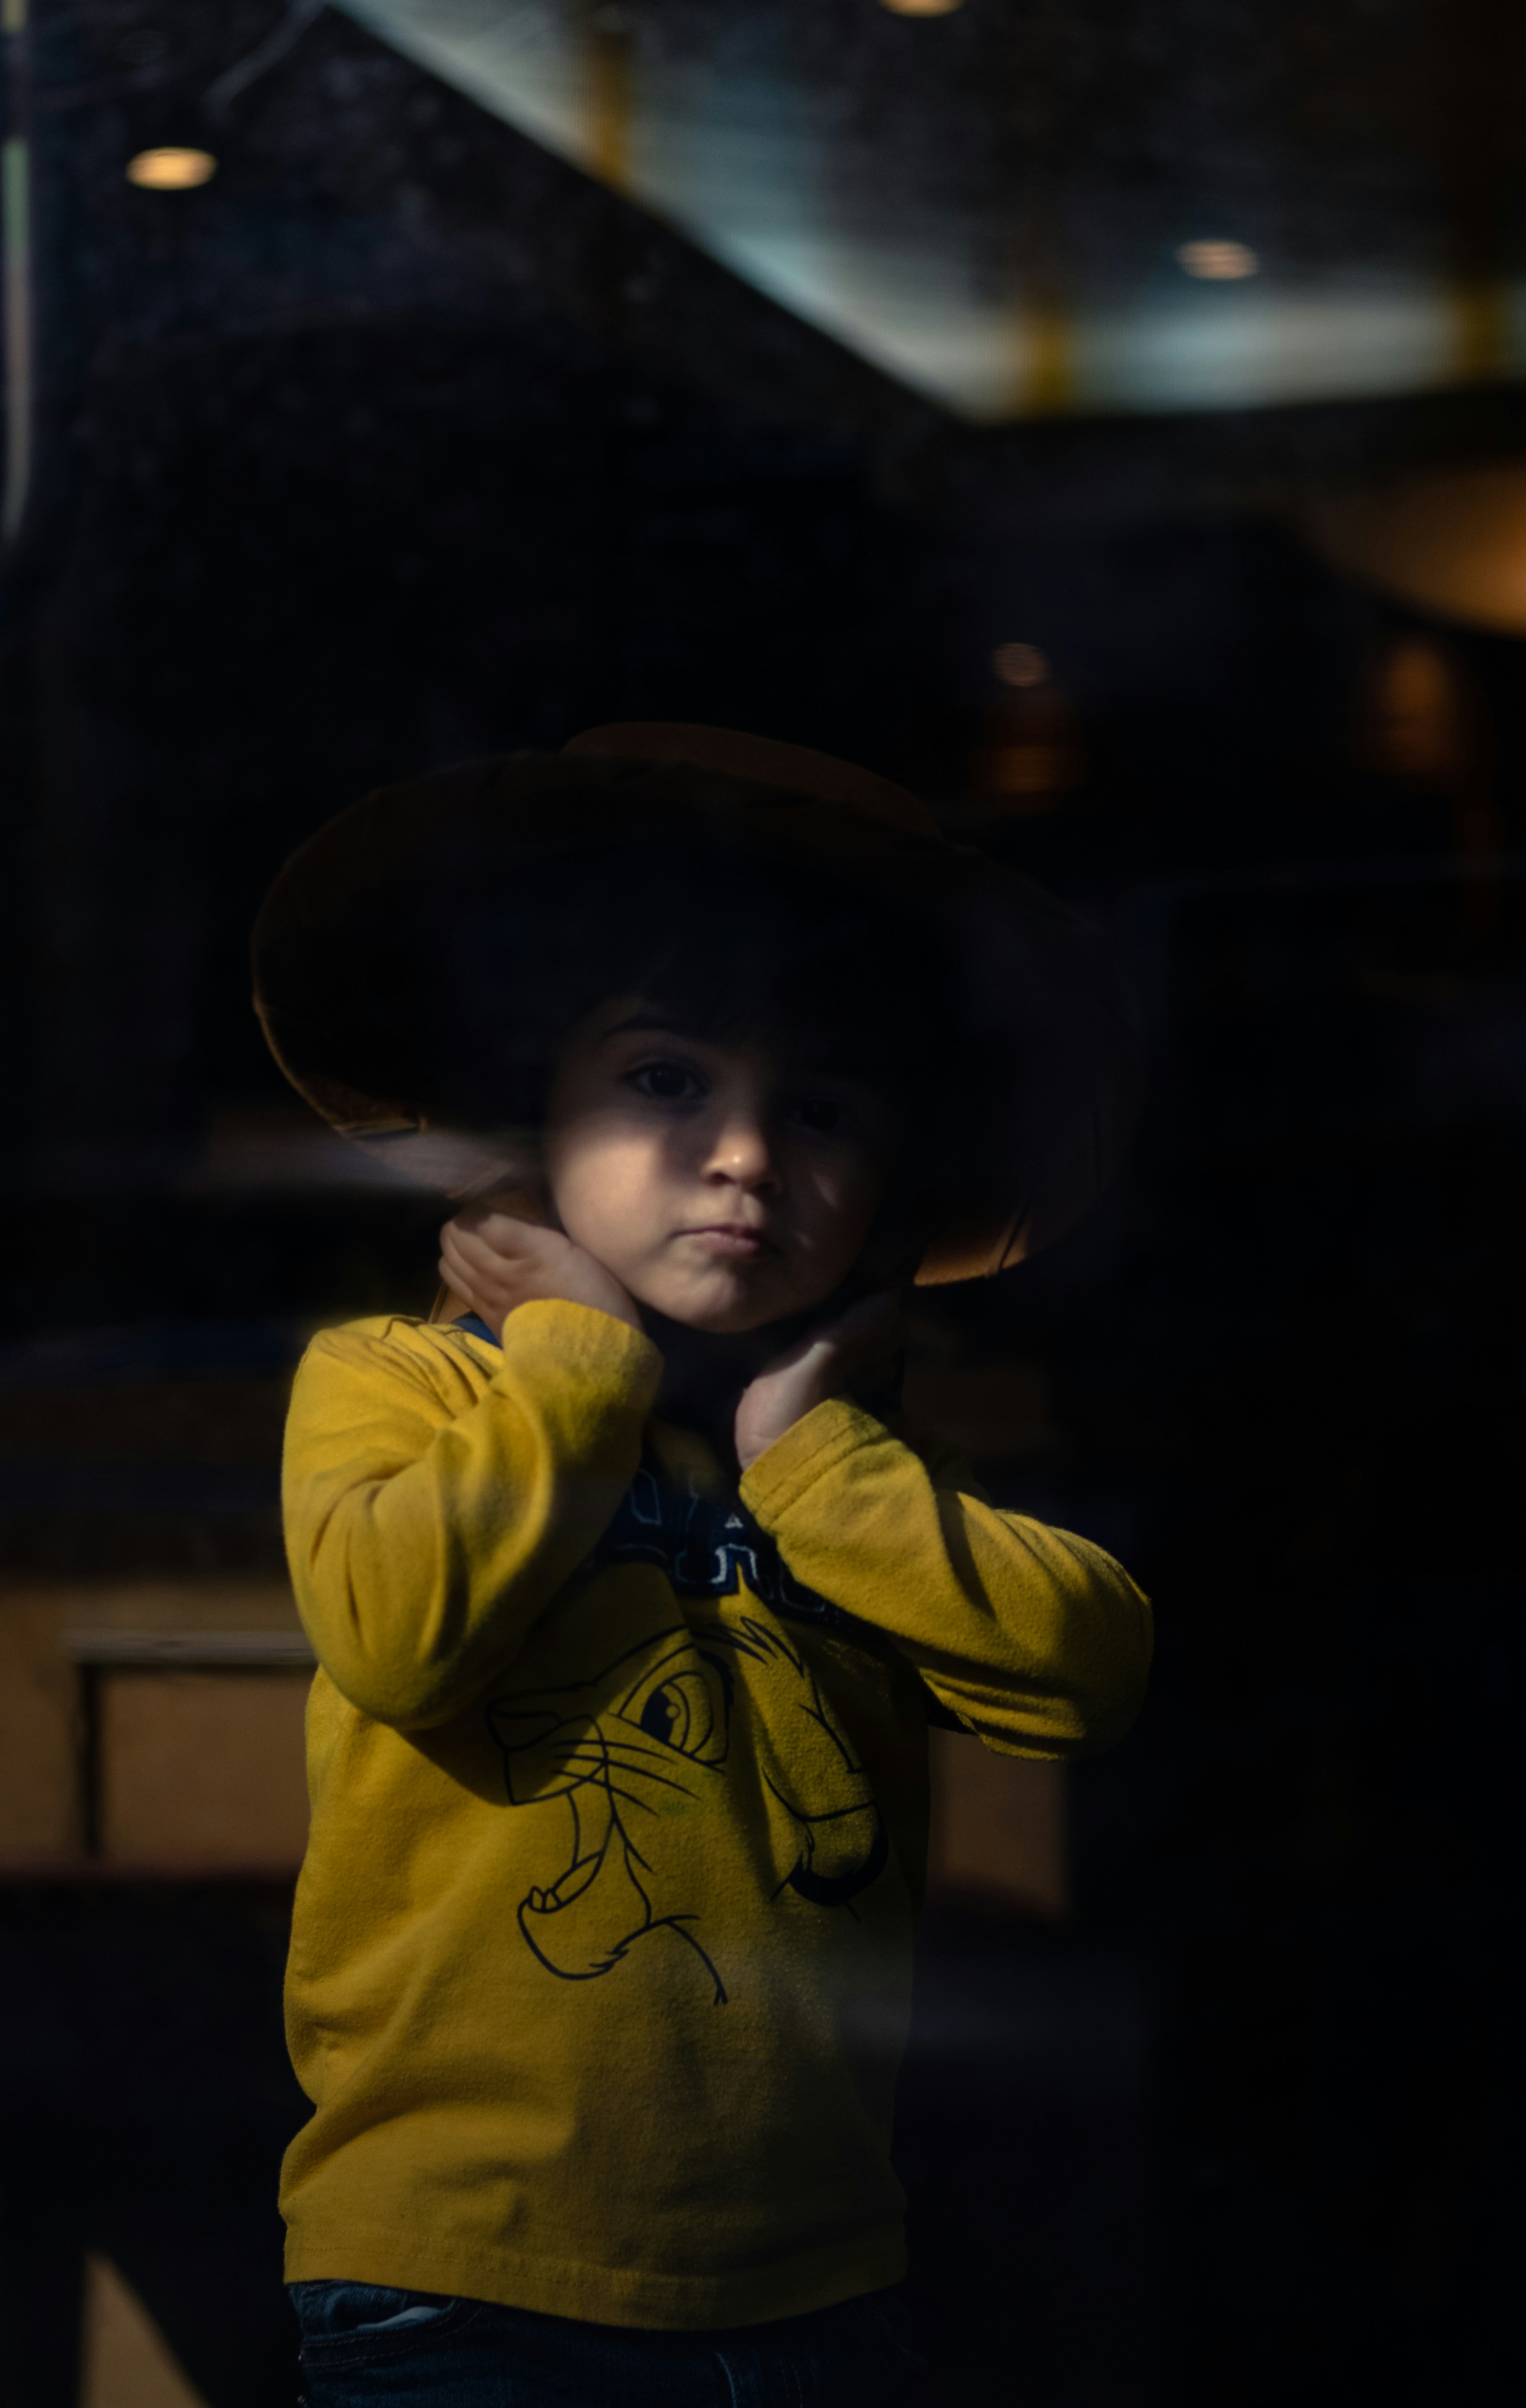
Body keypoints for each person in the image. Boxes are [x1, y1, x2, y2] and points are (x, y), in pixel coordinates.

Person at [251, 722, 1153, 2406]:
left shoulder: (838, 1470)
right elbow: (395, 1631)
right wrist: (573, 1356)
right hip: (456, 2277)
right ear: (535, 1116)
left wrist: (810, 1455)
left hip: (810, 2284)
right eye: (667, 1079)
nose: (745, 1155)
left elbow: (1090, 1666)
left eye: (816, 1109)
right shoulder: (400, 1383)